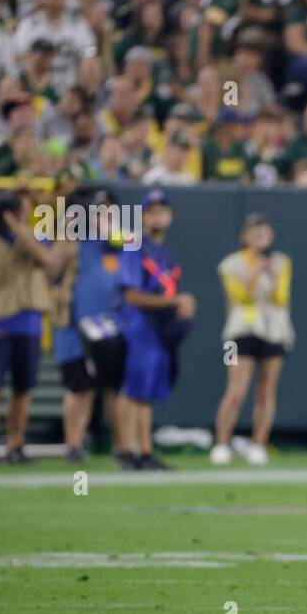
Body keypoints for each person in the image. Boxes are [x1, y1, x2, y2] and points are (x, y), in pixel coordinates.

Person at [0, 190, 66, 465]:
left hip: (29, 322)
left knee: (23, 389)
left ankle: (15, 445)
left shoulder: (31, 235)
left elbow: (48, 261)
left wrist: (17, 228)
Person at [114, 189, 195, 470]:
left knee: (145, 392)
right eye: (150, 212)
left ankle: (144, 451)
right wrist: (175, 301)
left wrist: (178, 306)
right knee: (133, 389)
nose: (156, 217)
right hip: (139, 324)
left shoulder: (165, 252)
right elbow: (131, 295)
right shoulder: (134, 246)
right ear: (142, 217)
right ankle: (127, 450)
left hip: (158, 326)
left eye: (161, 211)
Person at [49, 186, 127, 462]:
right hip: (76, 327)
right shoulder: (72, 239)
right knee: (80, 387)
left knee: (116, 388)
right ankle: (73, 446)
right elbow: (51, 268)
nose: (103, 212)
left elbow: (124, 240)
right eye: (98, 208)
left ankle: (123, 447)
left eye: (107, 208)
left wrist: (104, 222)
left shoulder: (118, 239)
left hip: (112, 325)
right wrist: (68, 225)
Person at [210, 213, 293, 466]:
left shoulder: (281, 262)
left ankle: (259, 444)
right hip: (238, 334)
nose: (261, 238)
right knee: (235, 390)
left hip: (274, 332)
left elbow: (281, 299)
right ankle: (221, 443)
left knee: (267, 392)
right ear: (245, 237)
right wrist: (256, 272)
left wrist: (273, 276)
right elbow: (240, 298)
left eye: (264, 233)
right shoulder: (230, 264)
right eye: (255, 234)